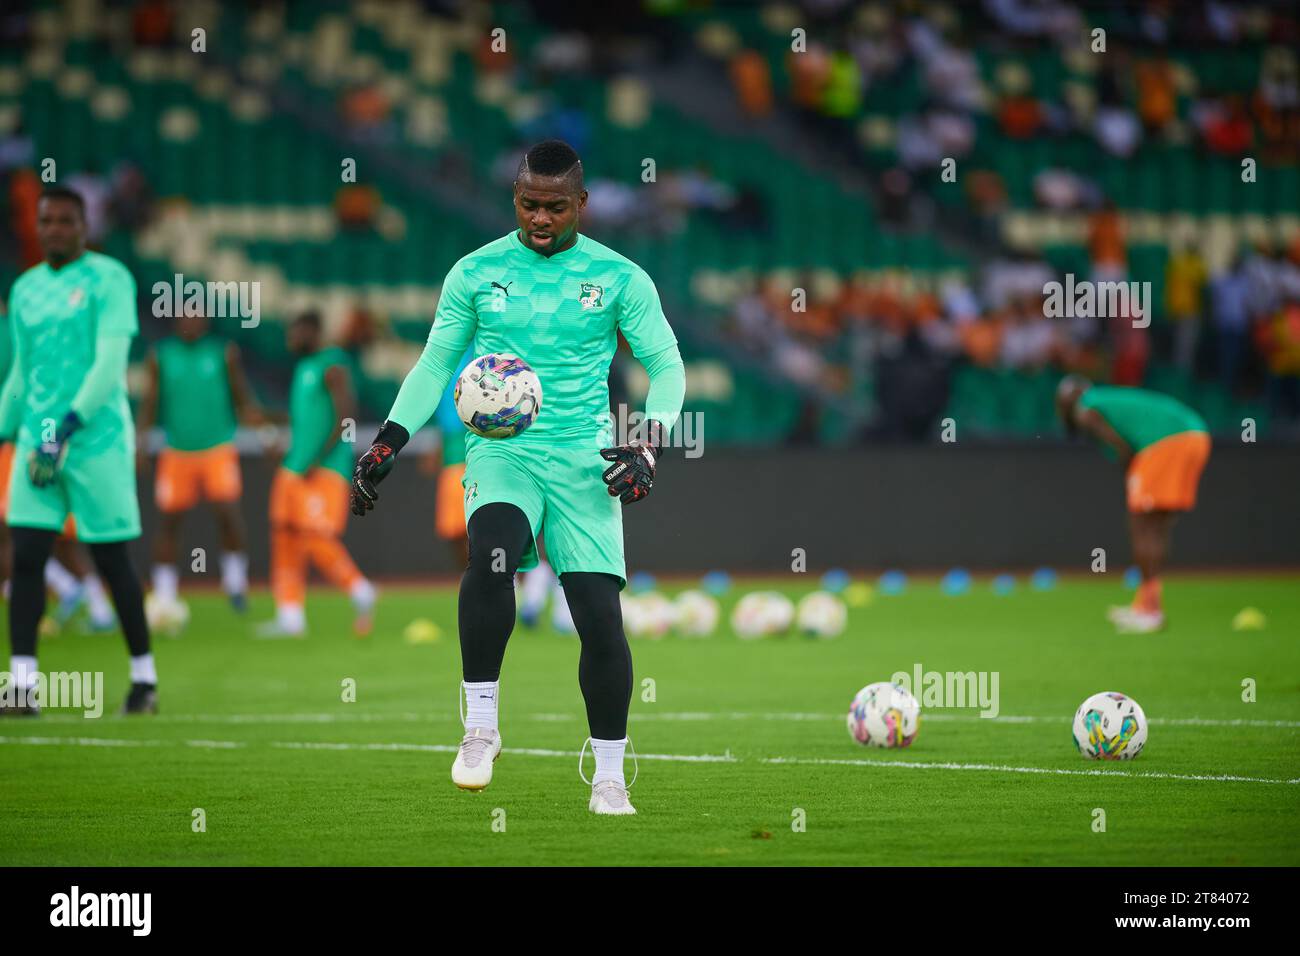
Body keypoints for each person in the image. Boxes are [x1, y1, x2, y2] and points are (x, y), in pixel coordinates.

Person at [350, 140, 685, 815]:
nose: (540, 217)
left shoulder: (621, 278)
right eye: (529, 204)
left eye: (555, 207)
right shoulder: (475, 273)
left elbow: (668, 366)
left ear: (581, 205)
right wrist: (387, 439)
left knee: (597, 616)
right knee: (491, 553)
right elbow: (434, 363)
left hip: (586, 458)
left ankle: (610, 774)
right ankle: (480, 725)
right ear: (514, 199)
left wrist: (646, 445)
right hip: (504, 451)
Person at [0, 186, 157, 715]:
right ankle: (22, 686)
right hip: (36, 446)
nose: (54, 230)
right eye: (46, 221)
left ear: (84, 226)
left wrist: (65, 427)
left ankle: (143, 679)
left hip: (97, 441)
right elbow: (22, 374)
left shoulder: (109, 279)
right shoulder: (25, 289)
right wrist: (7, 426)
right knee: (26, 557)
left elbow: (109, 366)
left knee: (112, 558)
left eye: (65, 221)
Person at [1056, 376, 1211, 634]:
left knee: (1142, 526)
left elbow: (1121, 448)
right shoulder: (1107, 398)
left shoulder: (1087, 407)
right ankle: (1146, 604)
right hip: (1195, 436)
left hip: (1165, 443)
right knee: (1157, 525)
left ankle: (1150, 611)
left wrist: (1131, 471)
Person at [137, 303, 261, 620]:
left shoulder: (223, 353)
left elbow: (241, 396)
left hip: (217, 448)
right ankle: (165, 593)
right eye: (184, 315)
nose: (190, 321)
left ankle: (235, 583)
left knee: (228, 515)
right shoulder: (161, 355)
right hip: (176, 449)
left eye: (196, 315)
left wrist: (264, 428)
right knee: (169, 520)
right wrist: (140, 442)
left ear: (205, 320)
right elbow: (151, 401)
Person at [259, 311, 375, 638]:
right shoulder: (303, 368)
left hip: (323, 469)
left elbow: (346, 415)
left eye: (295, 332)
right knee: (285, 536)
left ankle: (359, 589)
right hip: (294, 468)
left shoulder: (332, 364)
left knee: (315, 535)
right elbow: (304, 420)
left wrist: (318, 458)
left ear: (312, 330)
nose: (290, 339)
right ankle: (290, 615)